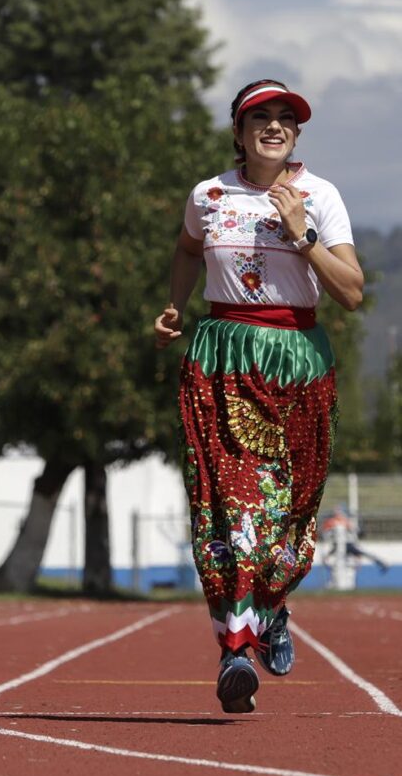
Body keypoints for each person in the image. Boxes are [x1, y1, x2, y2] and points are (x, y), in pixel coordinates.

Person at [153, 79, 364, 713]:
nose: (274, 126)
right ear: (239, 131)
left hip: (298, 362)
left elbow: (352, 292)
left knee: (291, 515)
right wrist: (174, 304)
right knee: (231, 505)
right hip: (222, 357)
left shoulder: (320, 196)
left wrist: (303, 234)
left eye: (285, 119)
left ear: (297, 134)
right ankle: (235, 650)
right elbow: (189, 247)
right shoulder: (207, 194)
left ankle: (271, 608)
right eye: (259, 118)